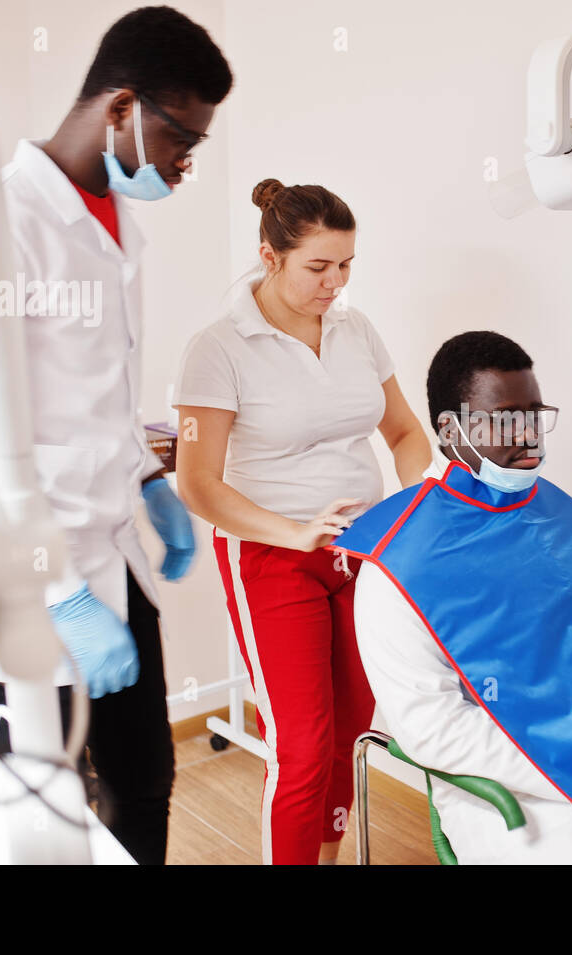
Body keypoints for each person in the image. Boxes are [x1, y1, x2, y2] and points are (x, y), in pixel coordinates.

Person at [0, 6, 233, 865]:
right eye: (182, 144)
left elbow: (88, 399)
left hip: (112, 559)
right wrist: (58, 594)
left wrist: (146, 479)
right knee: (41, 820)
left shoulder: (118, 221)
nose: (183, 166)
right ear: (122, 109)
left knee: (144, 781)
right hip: (31, 588)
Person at [341, 331, 572, 865]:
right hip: (522, 776)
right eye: (505, 420)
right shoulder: (398, 561)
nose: (530, 439)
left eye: (535, 416)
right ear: (451, 430)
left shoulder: (555, 511)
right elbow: (433, 730)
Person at [172, 178, 432, 865]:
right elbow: (197, 482)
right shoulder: (218, 348)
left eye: (346, 265)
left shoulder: (356, 329)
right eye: (318, 266)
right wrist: (293, 532)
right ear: (270, 255)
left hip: (364, 555)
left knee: (350, 730)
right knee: (302, 745)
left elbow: (406, 433)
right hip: (271, 555)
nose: (335, 283)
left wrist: (414, 504)